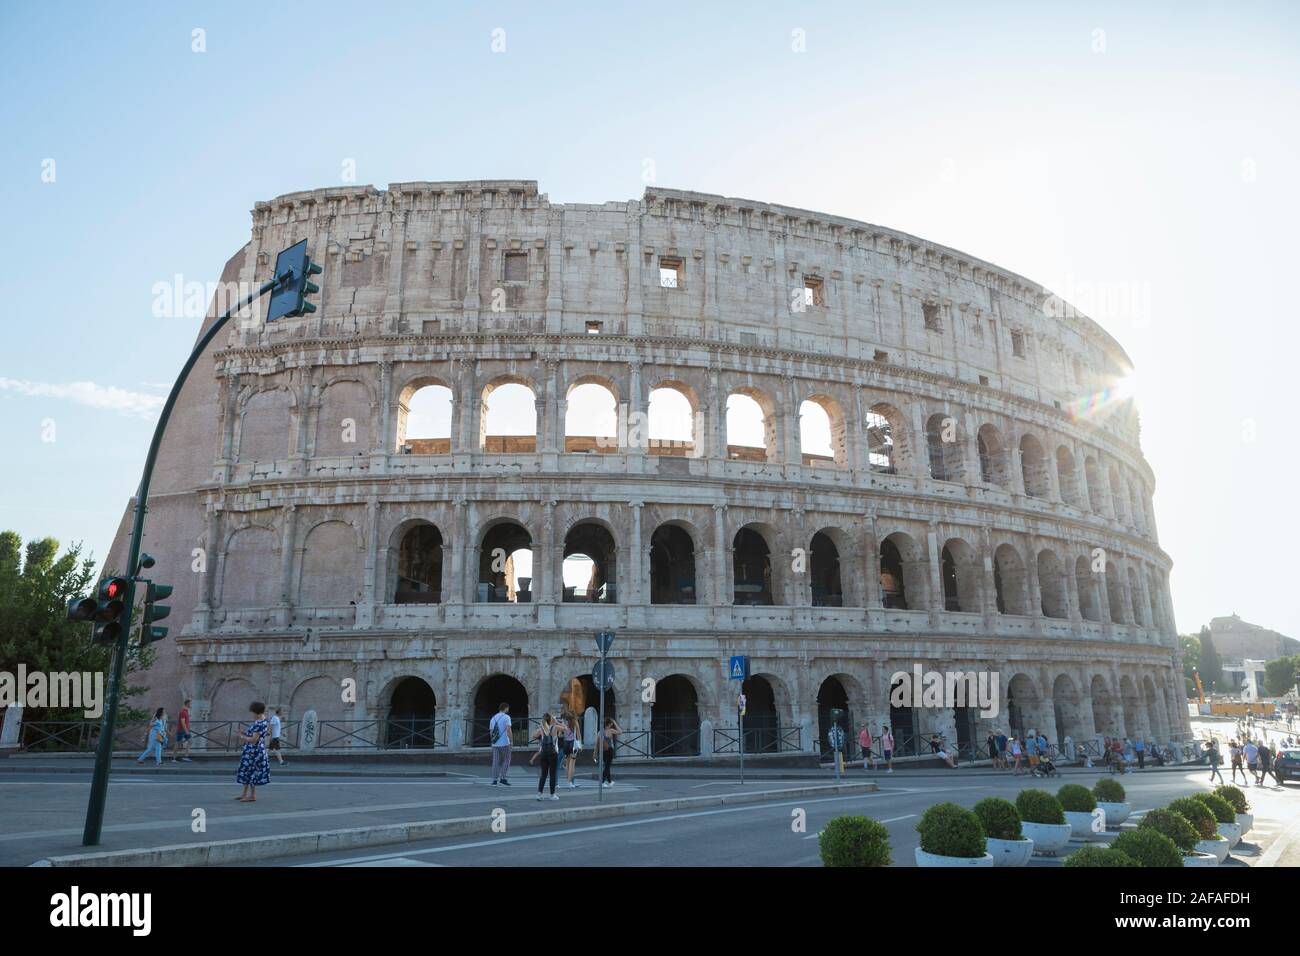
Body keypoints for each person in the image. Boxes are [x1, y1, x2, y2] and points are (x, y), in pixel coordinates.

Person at [235, 702, 271, 802]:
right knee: (248, 771)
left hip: (253, 751)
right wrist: (244, 733)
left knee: (250, 771)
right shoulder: (264, 721)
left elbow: (254, 739)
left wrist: (241, 736)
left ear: (257, 713)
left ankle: (252, 795)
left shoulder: (259, 723)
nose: (252, 715)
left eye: (253, 713)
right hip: (256, 750)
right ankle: (244, 794)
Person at [532, 713, 561, 801]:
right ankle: (552, 795)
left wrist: (541, 728)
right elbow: (566, 729)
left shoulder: (542, 728)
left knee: (543, 774)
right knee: (552, 774)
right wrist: (556, 722)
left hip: (544, 753)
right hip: (553, 753)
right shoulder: (555, 727)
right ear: (551, 720)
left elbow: (533, 735)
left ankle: (539, 794)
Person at [489, 702, 512, 785]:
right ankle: (503, 778)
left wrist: (493, 742)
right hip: (505, 743)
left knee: (495, 761)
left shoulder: (493, 718)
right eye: (508, 708)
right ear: (505, 708)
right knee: (507, 759)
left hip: (495, 743)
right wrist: (511, 741)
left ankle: (494, 780)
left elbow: (491, 731)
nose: (508, 710)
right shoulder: (507, 717)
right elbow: (508, 729)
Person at [596, 717, 622, 787]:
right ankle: (602, 782)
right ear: (610, 724)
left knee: (607, 766)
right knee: (607, 766)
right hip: (609, 750)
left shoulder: (600, 731)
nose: (612, 724)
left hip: (603, 750)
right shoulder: (610, 730)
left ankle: (610, 781)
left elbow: (597, 743)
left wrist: (595, 752)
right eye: (611, 723)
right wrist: (615, 723)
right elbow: (620, 732)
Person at [560, 711, 581, 788]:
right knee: (572, 764)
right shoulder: (575, 722)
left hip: (566, 743)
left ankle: (570, 782)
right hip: (573, 743)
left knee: (568, 764)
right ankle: (570, 782)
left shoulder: (564, 722)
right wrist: (580, 744)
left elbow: (560, 734)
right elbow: (578, 734)